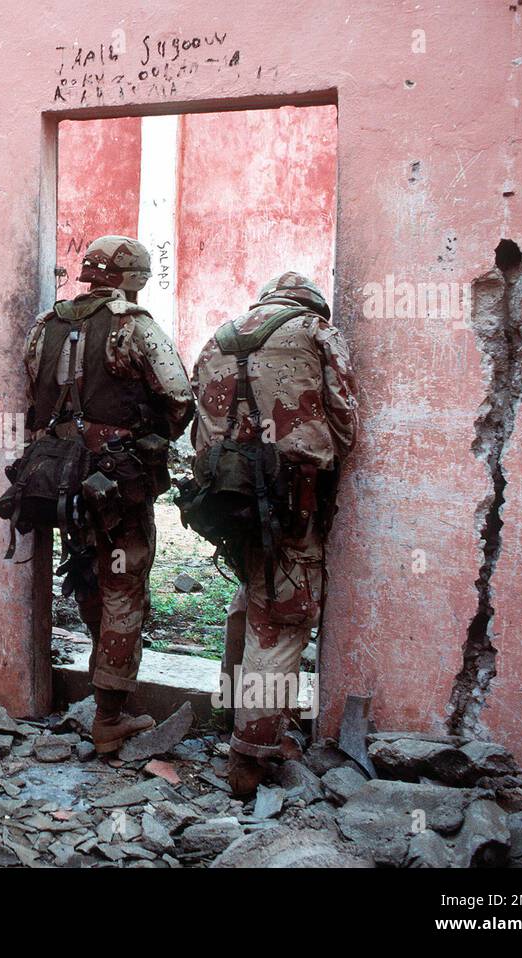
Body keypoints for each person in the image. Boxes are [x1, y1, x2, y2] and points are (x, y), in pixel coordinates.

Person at [186, 272, 357, 796]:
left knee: (251, 596)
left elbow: (197, 429)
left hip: (227, 503)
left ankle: (233, 713)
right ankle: (250, 756)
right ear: (313, 304)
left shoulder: (220, 336)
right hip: (291, 503)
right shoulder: (316, 333)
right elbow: (345, 420)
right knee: (282, 622)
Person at [22, 235, 194, 755]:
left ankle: (106, 693)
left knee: (88, 576)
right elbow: (179, 397)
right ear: (133, 277)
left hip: (58, 478)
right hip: (118, 479)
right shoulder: (133, 326)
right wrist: (145, 432)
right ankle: (110, 716)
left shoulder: (45, 326)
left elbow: (34, 390)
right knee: (124, 583)